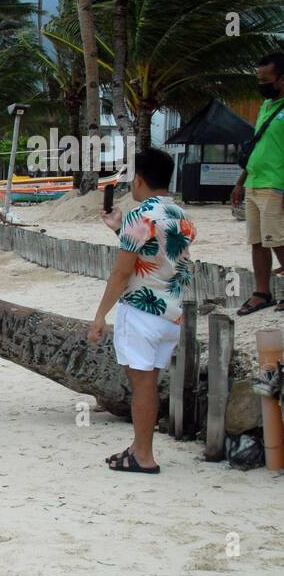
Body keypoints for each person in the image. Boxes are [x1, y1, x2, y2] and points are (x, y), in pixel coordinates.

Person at [88, 148, 196, 474]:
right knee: (149, 382)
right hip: (172, 313)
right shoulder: (181, 214)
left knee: (142, 386)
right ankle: (138, 446)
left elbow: (122, 273)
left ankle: (144, 456)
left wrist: (99, 315)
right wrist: (119, 230)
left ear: (138, 179)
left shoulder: (139, 215)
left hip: (141, 311)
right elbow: (160, 254)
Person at [230, 51, 284, 315]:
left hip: (276, 184)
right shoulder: (265, 107)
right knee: (258, 241)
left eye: (266, 79)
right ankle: (262, 292)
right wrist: (241, 181)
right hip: (254, 182)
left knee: (278, 239)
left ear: (282, 79)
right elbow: (257, 146)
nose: (261, 84)